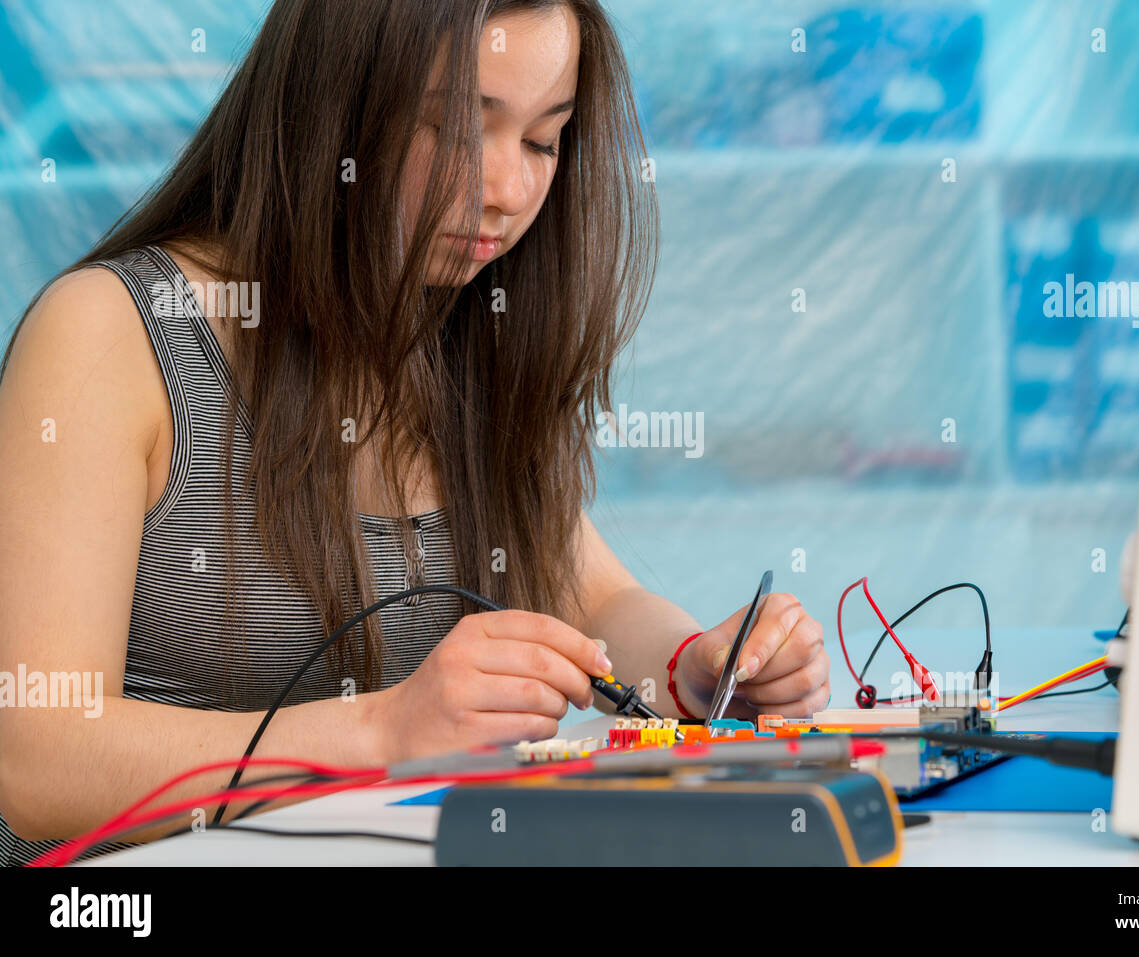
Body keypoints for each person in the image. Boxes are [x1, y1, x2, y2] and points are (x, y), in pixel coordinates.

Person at [0, 0, 830, 866]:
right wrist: (381, 728)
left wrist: (694, 668)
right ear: (332, 105)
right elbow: (37, 756)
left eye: (544, 141)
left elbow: (592, 598)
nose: (507, 191)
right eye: (458, 129)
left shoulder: (473, 328)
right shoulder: (109, 332)